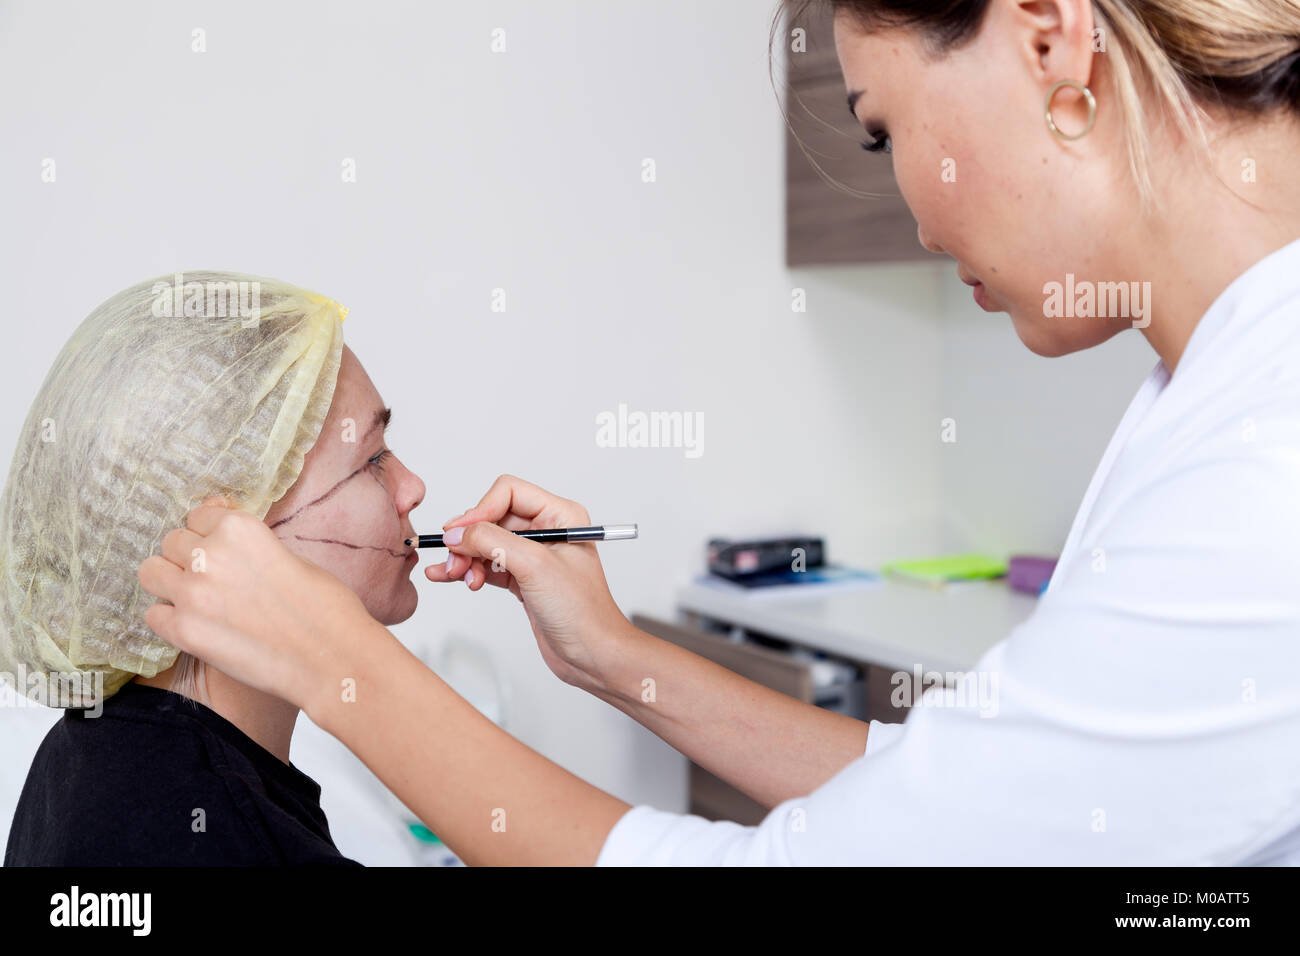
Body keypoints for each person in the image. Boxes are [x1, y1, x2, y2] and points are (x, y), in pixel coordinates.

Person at [139, 0, 1300, 865]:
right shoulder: (1210, 394)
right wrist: (613, 654)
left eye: (881, 131)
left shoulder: (1263, 464)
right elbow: (959, 803)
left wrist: (340, 666)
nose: (911, 205)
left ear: (1048, 39)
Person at [2, 271, 424, 866]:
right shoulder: (215, 837)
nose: (413, 487)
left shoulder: (89, 751)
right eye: (373, 458)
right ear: (220, 528)